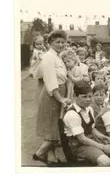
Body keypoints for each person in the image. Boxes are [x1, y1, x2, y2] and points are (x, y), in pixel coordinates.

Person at [63, 81, 110, 166]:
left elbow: (91, 129)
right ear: (75, 96)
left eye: (89, 96)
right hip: (79, 146)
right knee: (106, 162)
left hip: (91, 140)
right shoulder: (72, 114)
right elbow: (82, 139)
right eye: (84, 97)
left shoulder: (89, 109)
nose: (88, 99)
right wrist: (103, 147)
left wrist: (102, 136)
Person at [33, 30, 70, 166]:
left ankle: (51, 159)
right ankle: (38, 154)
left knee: (52, 129)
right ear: (50, 43)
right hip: (52, 96)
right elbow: (50, 80)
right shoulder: (48, 57)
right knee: (53, 131)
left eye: (63, 42)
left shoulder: (57, 56)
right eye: (57, 42)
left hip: (57, 94)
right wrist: (60, 98)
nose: (61, 44)